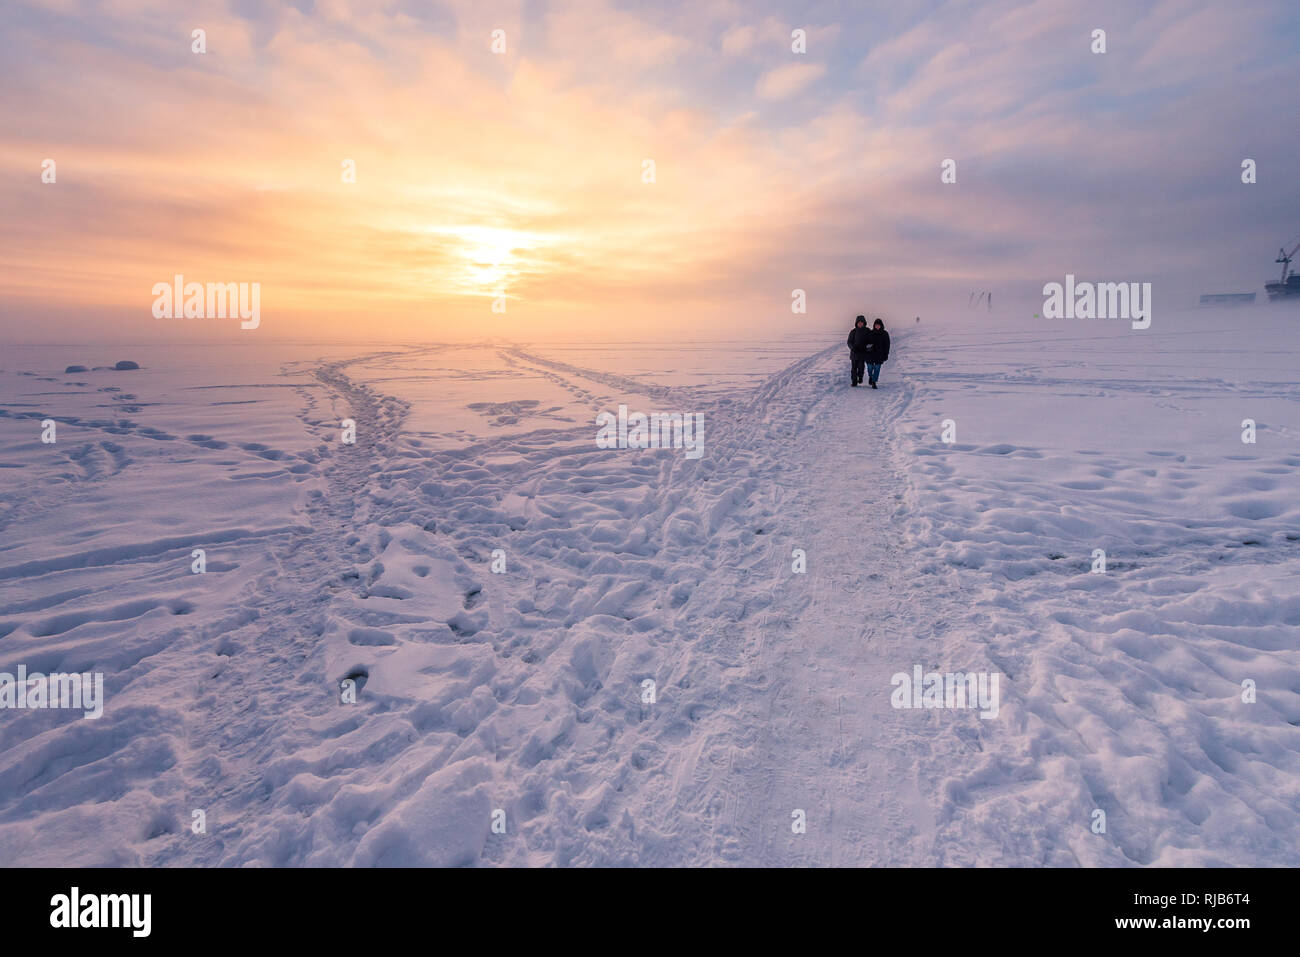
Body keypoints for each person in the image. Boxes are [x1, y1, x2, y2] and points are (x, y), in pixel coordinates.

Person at [863, 317, 890, 388]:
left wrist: (886, 354)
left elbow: (887, 345)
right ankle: (871, 377)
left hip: (879, 355)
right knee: (869, 368)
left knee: (877, 369)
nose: (877, 326)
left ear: (881, 325)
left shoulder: (885, 333)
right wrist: (867, 349)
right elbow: (865, 343)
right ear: (874, 325)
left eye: (878, 325)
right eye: (876, 325)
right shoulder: (870, 333)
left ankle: (874, 382)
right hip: (870, 355)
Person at [846, 316, 871, 386]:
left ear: (864, 323)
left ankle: (860, 377)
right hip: (854, 353)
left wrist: (868, 349)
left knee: (861, 367)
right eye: (859, 322)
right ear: (856, 323)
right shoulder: (853, 331)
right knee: (853, 368)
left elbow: (870, 341)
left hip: (863, 353)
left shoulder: (867, 331)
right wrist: (853, 348)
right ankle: (854, 381)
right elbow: (849, 342)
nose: (860, 324)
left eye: (861, 322)